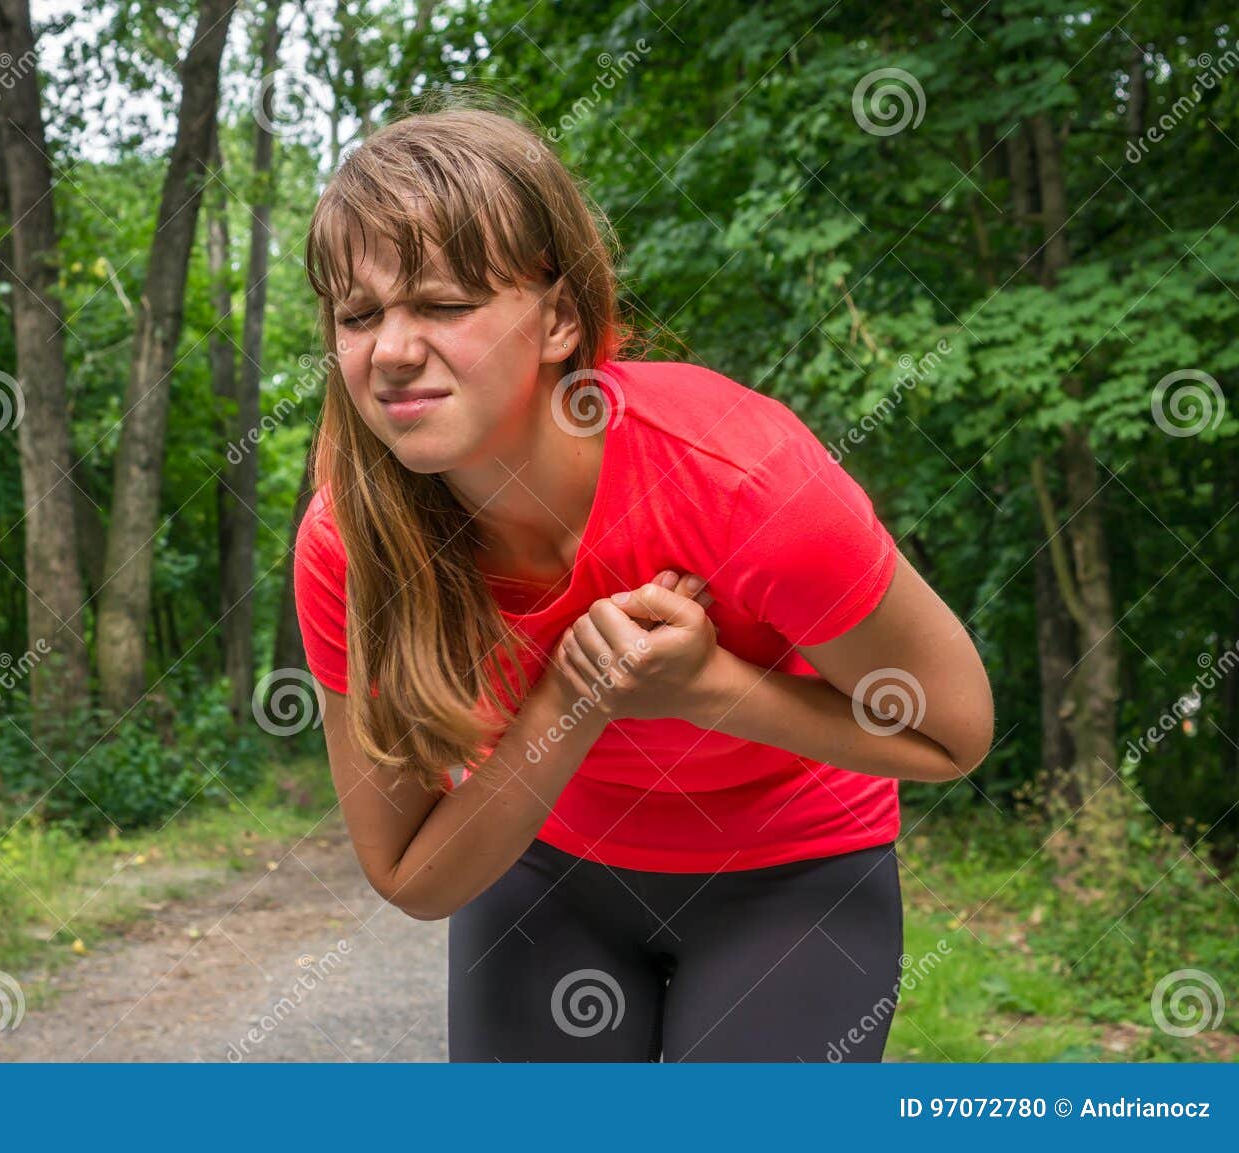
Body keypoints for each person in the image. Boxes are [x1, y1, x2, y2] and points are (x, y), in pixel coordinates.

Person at [290, 101, 995, 1062]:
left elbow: (953, 732)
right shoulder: (351, 546)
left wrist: (712, 691)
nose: (393, 351)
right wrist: (569, 703)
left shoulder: (742, 481)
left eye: (444, 305)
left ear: (559, 320)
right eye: (359, 315)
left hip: (793, 871)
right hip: (546, 870)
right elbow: (413, 875)